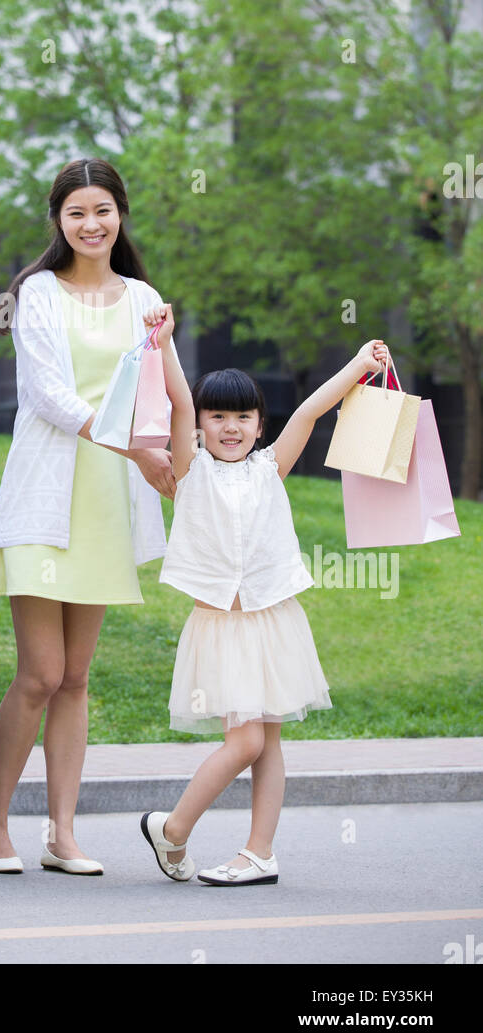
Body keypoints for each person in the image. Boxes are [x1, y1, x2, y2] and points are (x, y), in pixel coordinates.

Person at [137, 303, 389, 886]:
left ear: (259, 424)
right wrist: (166, 343)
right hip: (221, 628)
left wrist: (357, 364)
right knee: (247, 739)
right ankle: (173, 829)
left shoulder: (270, 467)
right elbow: (177, 399)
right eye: (218, 415)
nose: (230, 427)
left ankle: (259, 852)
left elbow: (309, 410)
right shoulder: (189, 470)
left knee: (268, 740)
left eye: (243, 416)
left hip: (275, 623)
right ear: (200, 424)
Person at [0, 158, 177, 875]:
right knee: (40, 673)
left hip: (107, 498)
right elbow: (49, 396)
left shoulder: (144, 299)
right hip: (46, 490)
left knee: (77, 677)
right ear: (57, 222)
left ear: (121, 214)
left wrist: (168, 451)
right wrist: (135, 448)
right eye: (76, 214)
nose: (91, 225)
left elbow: (159, 396)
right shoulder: (37, 294)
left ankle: (62, 834)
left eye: (103, 211)